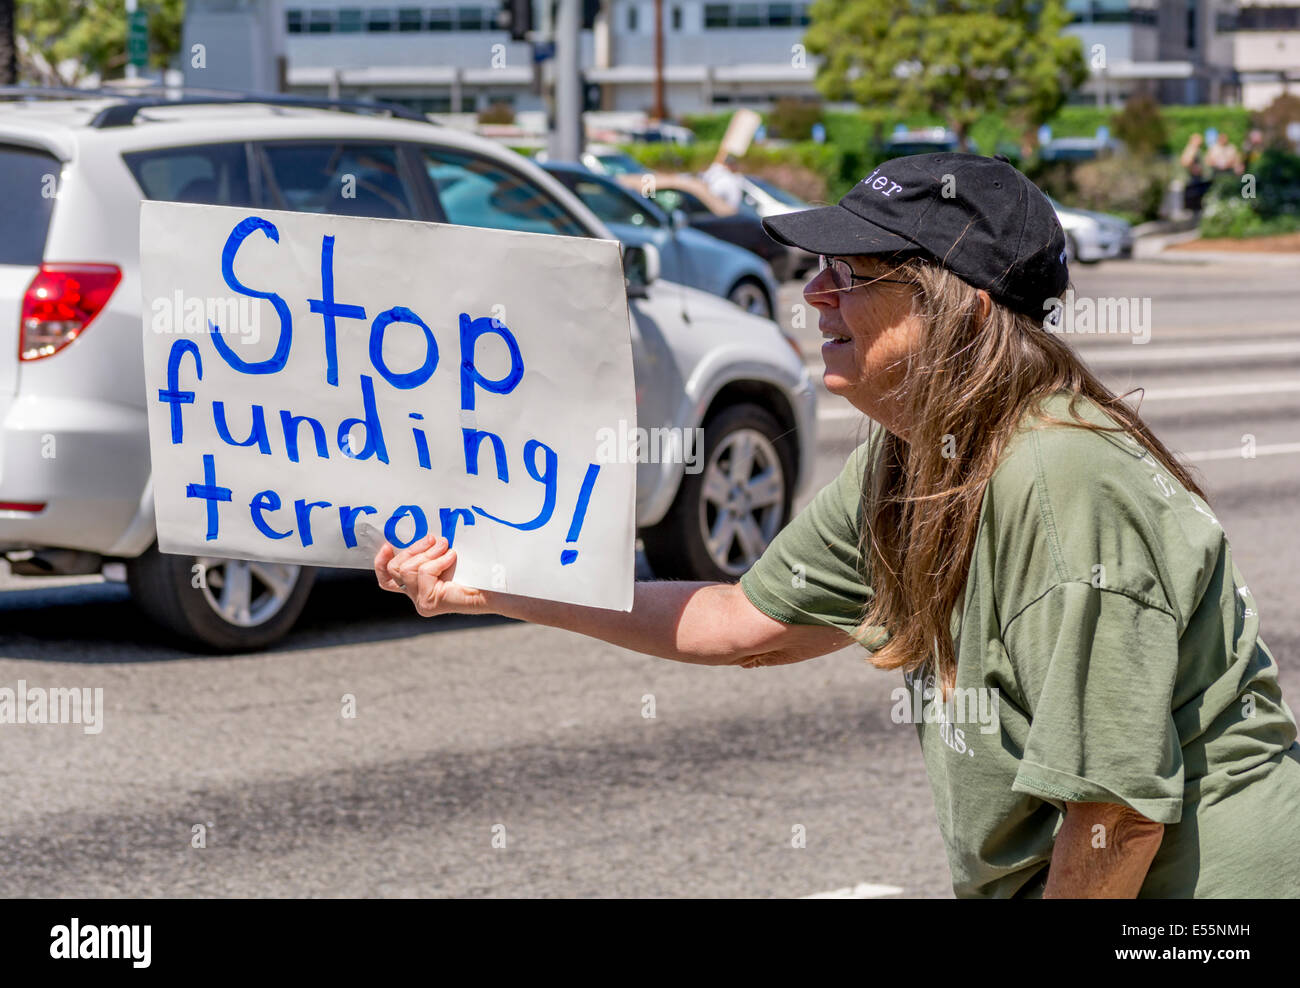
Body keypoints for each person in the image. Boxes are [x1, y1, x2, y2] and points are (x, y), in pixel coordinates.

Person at [373, 153, 1300, 899]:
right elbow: (744, 626)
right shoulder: (911, 455)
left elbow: (1116, 815)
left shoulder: (1059, 477)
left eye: (851, 274)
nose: (814, 295)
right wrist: (495, 583)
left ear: (961, 311)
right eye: (818, 269)